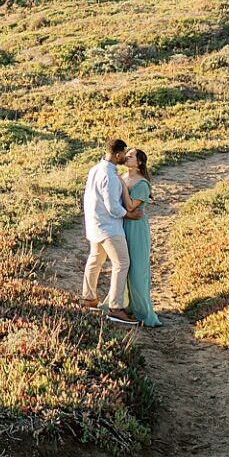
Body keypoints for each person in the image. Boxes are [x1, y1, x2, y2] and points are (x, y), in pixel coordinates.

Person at [81, 138, 139, 326]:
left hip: (94, 223)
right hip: (109, 227)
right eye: (123, 153)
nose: (124, 156)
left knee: (95, 259)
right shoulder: (110, 176)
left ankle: (88, 298)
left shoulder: (95, 170)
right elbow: (113, 207)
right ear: (117, 154)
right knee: (122, 263)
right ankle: (116, 307)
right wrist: (129, 215)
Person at [120, 148, 161, 327]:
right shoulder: (123, 177)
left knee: (137, 270)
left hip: (136, 228)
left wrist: (121, 186)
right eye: (126, 154)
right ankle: (127, 306)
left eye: (131, 156)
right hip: (122, 226)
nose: (126, 157)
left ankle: (144, 312)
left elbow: (130, 207)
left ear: (139, 163)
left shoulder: (142, 184)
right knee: (124, 267)